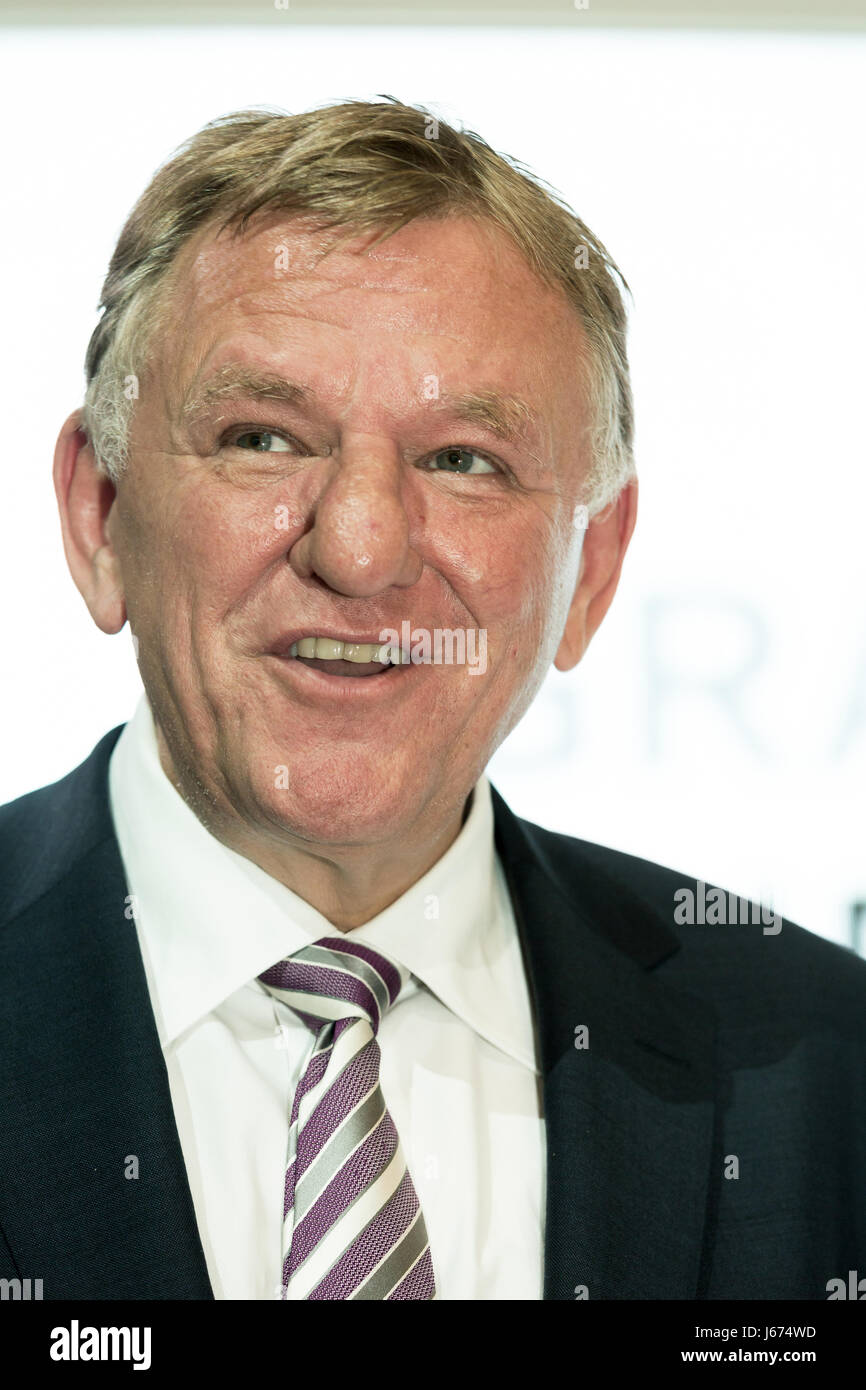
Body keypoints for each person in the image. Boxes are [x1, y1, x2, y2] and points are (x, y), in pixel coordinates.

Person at [1, 98, 863, 1302]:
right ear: (99, 516)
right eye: (262, 437)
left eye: (462, 460)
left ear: (590, 569)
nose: (358, 549)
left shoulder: (825, 1067)